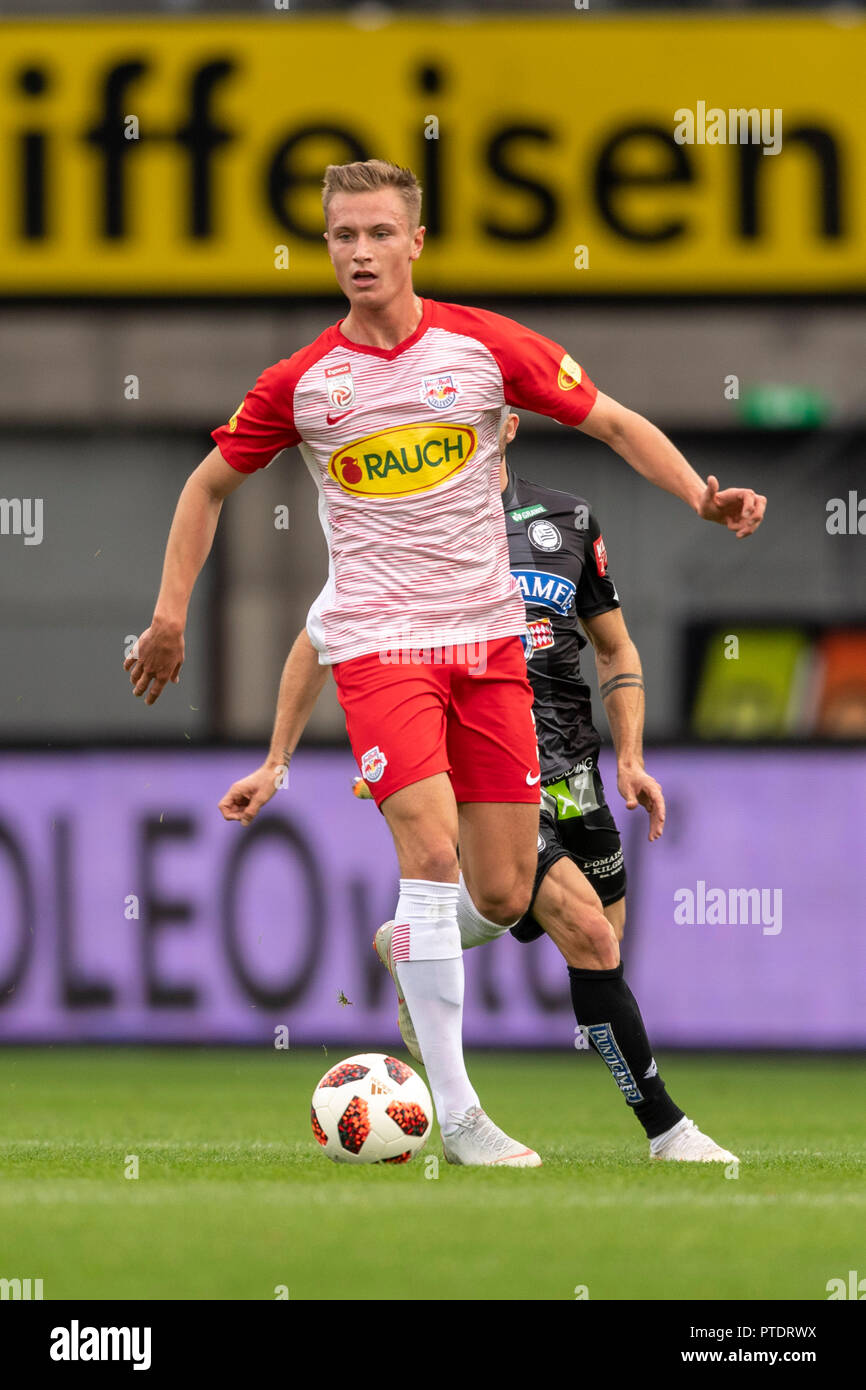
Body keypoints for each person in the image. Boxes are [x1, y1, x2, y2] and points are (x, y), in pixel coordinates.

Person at [126, 158, 765, 1166]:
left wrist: (699, 496)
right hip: (383, 651)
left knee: (504, 891)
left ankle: (410, 944)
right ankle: (459, 1118)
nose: (360, 253)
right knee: (426, 857)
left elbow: (606, 418)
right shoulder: (301, 385)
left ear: (414, 242)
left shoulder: (479, 348)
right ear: (326, 246)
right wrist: (168, 616)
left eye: (379, 233)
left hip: (487, 647)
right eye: (342, 237)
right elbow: (205, 489)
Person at [219, 409, 736, 1163]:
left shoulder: (567, 517)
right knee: (589, 934)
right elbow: (317, 637)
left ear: (509, 424)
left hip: (570, 773)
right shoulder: (409, 530)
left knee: (584, 940)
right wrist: (277, 761)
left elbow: (616, 648)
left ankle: (411, 939)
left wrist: (629, 758)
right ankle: (668, 1132)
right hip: (476, 766)